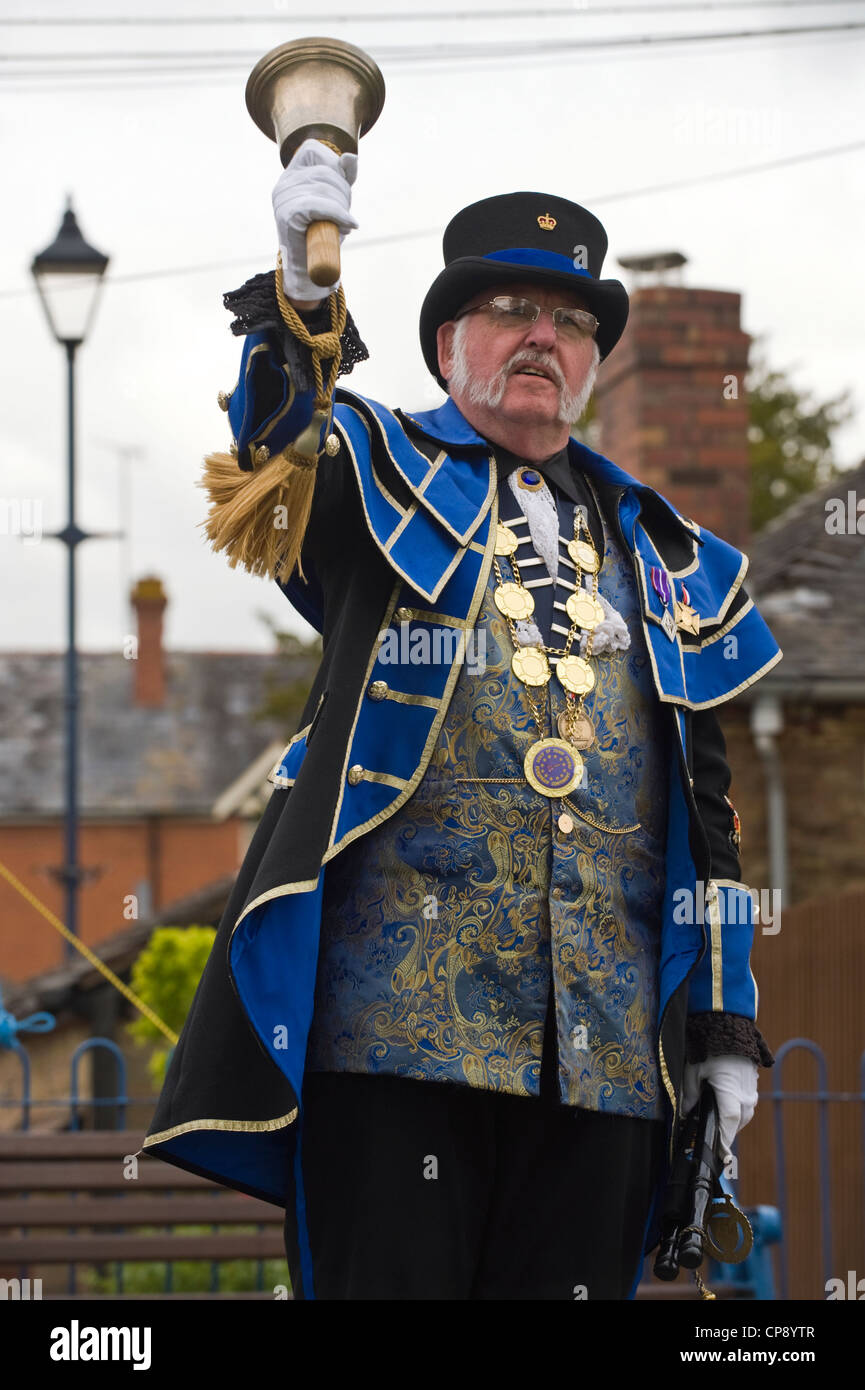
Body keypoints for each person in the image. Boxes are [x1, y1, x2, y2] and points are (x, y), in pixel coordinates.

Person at [143, 141, 782, 1300]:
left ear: (591, 360)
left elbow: (709, 807)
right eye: (509, 309)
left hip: (600, 1054)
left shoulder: (667, 550)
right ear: (449, 345)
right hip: (393, 1043)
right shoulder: (377, 471)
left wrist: (725, 1027)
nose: (544, 335)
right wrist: (299, 288)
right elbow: (276, 446)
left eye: (572, 321)